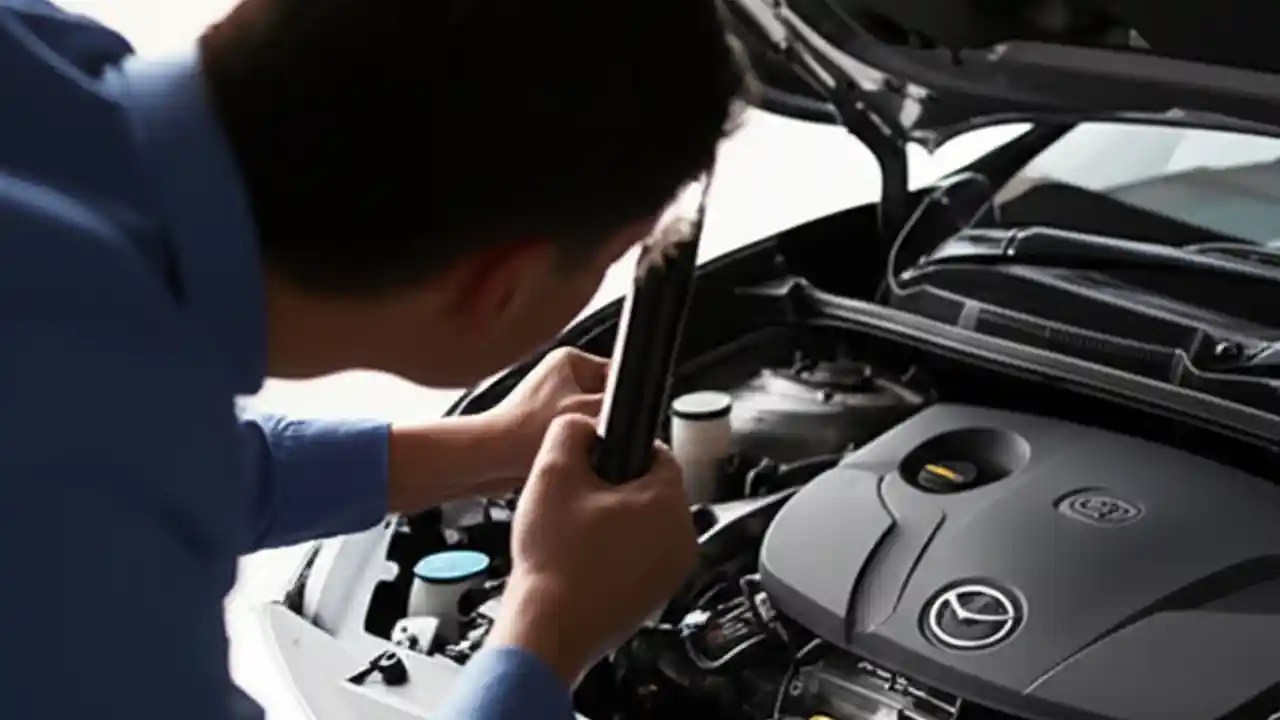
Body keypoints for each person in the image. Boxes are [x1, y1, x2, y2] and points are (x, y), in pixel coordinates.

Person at [0, 0, 745, 718]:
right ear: (497, 289)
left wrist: (489, 445)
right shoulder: (77, 534)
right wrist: (550, 625)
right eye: (613, 260)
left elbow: (120, 438)